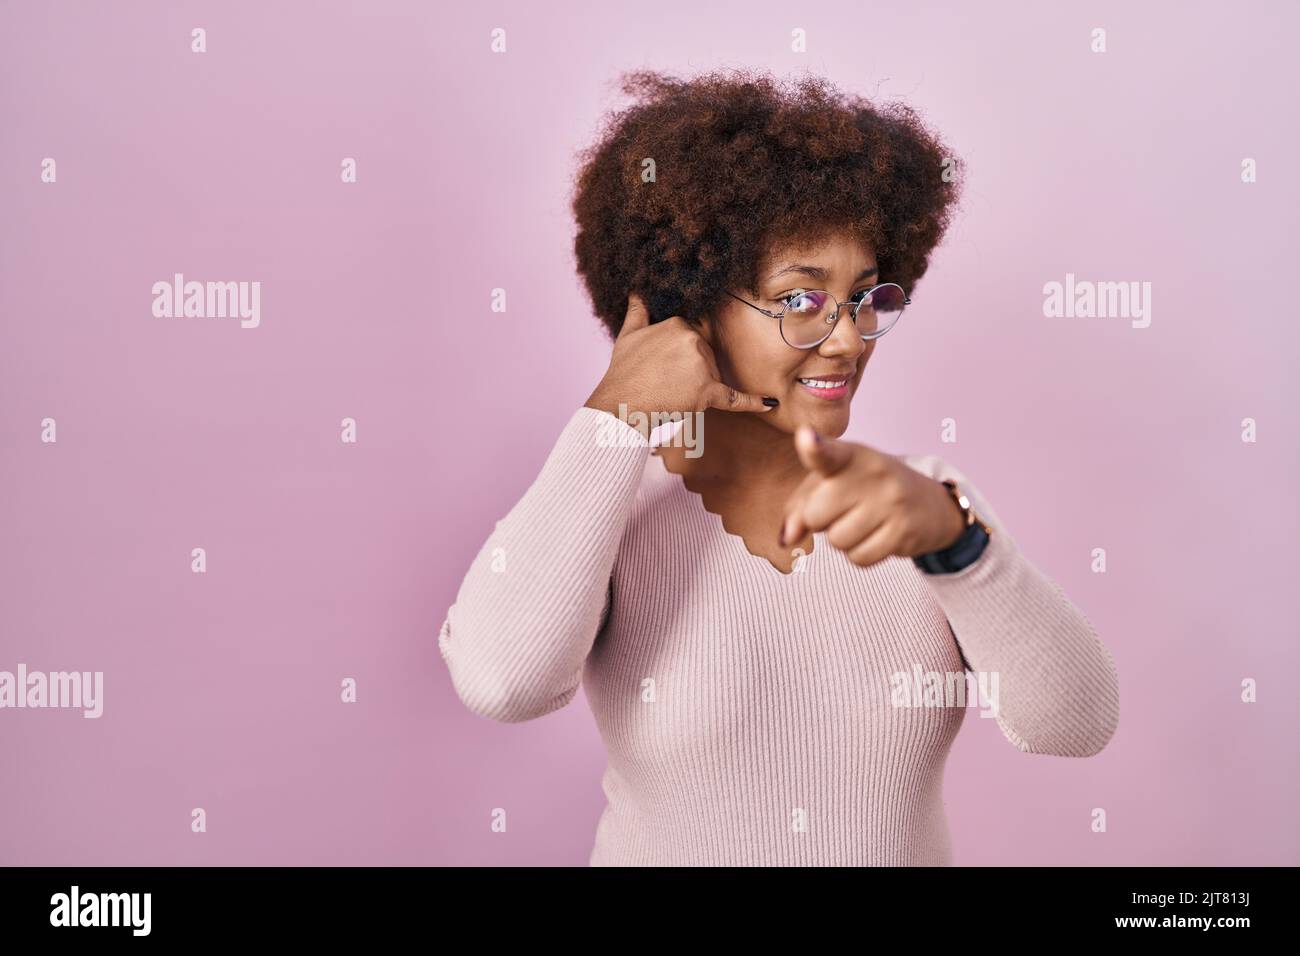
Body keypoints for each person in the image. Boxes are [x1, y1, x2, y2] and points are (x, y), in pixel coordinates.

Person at [437, 69, 1119, 866]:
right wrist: (614, 415)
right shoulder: (608, 511)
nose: (847, 339)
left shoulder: (917, 507)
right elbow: (503, 683)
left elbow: (1075, 725)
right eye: (800, 300)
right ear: (689, 306)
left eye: (864, 297)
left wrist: (956, 543)